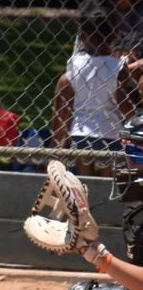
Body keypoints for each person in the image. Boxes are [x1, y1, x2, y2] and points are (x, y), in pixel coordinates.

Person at [51, 10, 126, 176]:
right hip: (110, 131)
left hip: (81, 131)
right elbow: (123, 102)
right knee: (109, 180)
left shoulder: (75, 64)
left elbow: (67, 100)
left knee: (84, 179)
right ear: (114, 36)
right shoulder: (118, 66)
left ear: (81, 37)